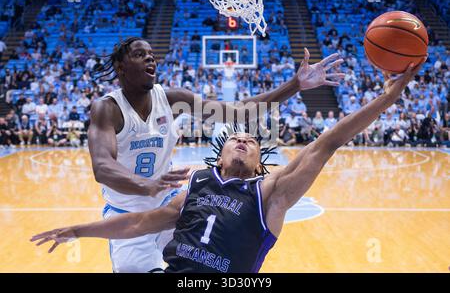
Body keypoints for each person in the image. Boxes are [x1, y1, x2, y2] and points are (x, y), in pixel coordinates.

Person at [31, 59, 424, 274]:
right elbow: (138, 224)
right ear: (217, 155)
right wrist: (77, 230)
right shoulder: (198, 184)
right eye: (237, 138)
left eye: (252, 142)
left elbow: (329, 142)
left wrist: (387, 99)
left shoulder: (272, 192)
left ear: (258, 164)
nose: (243, 140)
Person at [76, 37, 344, 273]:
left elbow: (237, 112)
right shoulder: (107, 109)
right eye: (139, 54)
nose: (149, 58)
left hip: (171, 207)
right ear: (121, 68)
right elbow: (102, 167)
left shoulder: (172, 100)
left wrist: (294, 85)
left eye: (152, 55)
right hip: (126, 211)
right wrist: (147, 186)